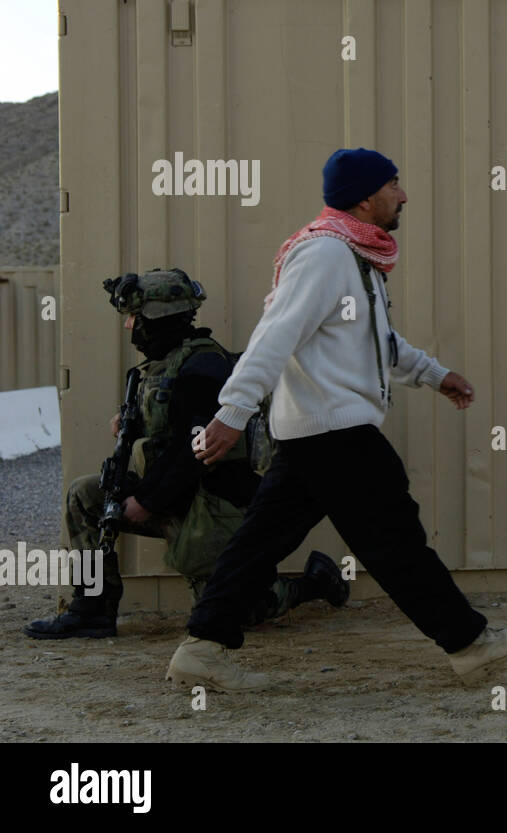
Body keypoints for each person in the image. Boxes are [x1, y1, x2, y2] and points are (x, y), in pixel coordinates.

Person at [165, 148, 507, 691]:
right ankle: (470, 645)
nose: (404, 195)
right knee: (396, 540)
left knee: (258, 544)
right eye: (394, 185)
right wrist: (232, 411)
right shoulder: (323, 256)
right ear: (365, 198)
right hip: (336, 432)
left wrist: (435, 375)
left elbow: (376, 341)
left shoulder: (354, 257)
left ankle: (202, 648)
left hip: (314, 435)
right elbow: (276, 335)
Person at [23, 269, 348, 640]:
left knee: (232, 612)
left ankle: (314, 583)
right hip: (178, 499)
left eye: (136, 318)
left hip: (215, 504)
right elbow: (172, 428)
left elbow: (192, 450)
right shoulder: (163, 365)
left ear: (159, 319)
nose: (130, 327)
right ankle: (91, 608)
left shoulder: (203, 367)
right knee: (86, 496)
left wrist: (145, 501)